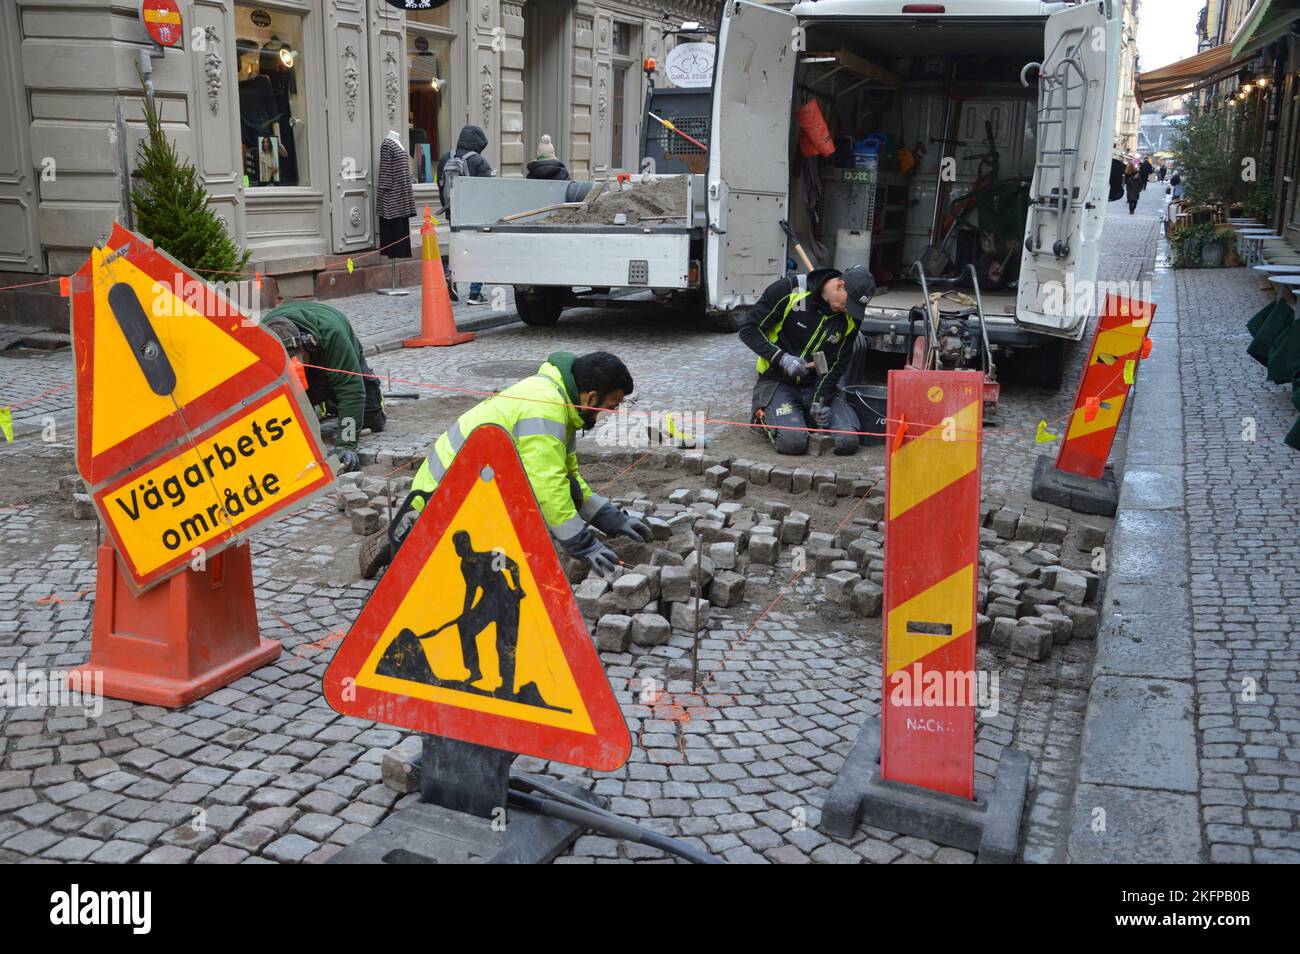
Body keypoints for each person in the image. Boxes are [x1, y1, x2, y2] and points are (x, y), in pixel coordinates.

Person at [359, 351, 650, 579]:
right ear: (591, 397)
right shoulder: (546, 408)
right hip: (443, 497)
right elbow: (548, 486)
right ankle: (407, 532)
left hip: (468, 483)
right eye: (610, 407)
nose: (608, 414)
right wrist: (583, 545)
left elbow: (567, 479)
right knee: (487, 559)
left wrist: (611, 519)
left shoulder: (559, 401)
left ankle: (411, 531)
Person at [738, 264, 875, 456]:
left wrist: (821, 401)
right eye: (849, 303)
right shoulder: (791, 290)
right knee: (793, 443)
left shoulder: (850, 316)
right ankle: (762, 415)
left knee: (847, 441)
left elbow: (837, 364)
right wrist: (782, 358)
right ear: (839, 285)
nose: (849, 310)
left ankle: (807, 415)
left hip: (814, 385)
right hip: (777, 382)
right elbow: (748, 330)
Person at [262, 302, 385, 474]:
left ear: (307, 345)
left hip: (336, 344)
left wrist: (346, 443)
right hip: (307, 358)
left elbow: (351, 391)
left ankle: (333, 398)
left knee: (372, 417)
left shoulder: (333, 336)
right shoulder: (259, 341)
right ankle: (324, 403)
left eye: (295, 363)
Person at [437, 124, 494, 305]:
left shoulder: (446, 158)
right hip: (474, 216)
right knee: (477, 251)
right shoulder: (479, 162)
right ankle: (475, 294)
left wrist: (448, 210)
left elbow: (440, 187)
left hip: (453, 213)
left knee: (456, 250)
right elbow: (486, 193)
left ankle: (450, 279)